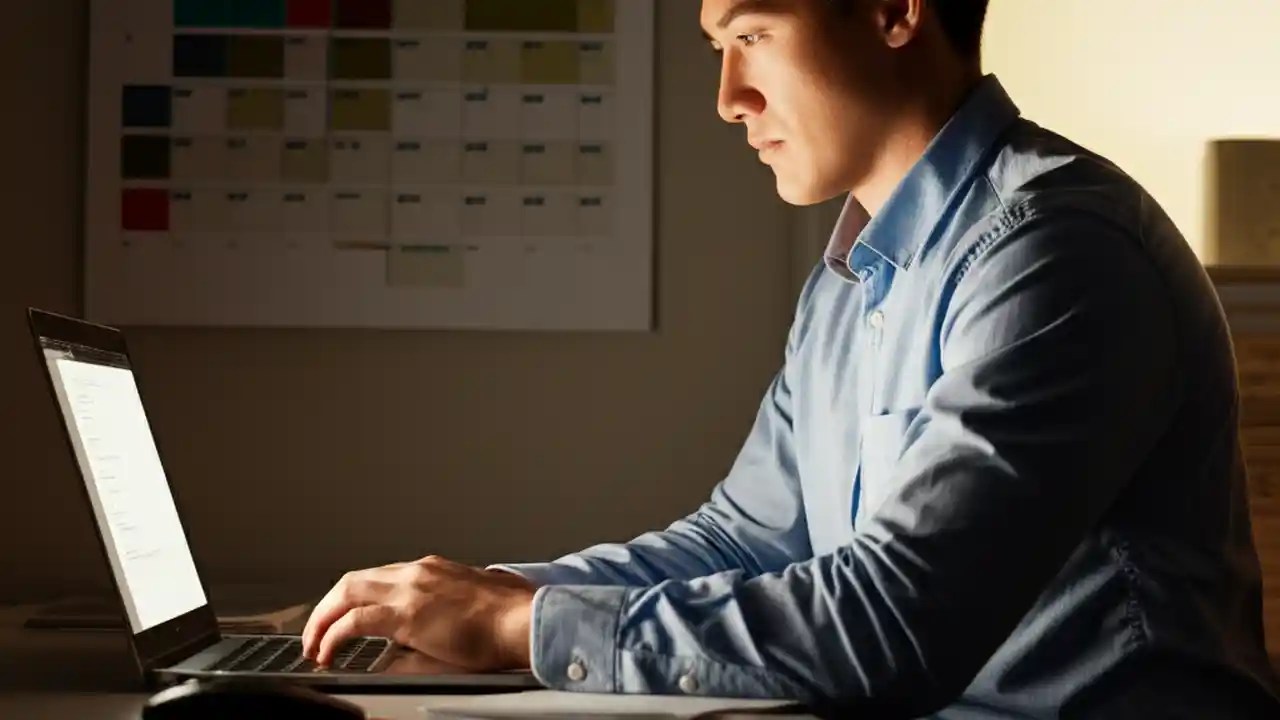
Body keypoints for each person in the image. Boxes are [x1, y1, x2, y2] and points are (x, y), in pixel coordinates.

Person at [301, 0, 1280, 715]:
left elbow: (895, 622)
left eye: (753, 36)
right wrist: (461, 600)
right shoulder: (850, 279)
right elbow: (747, 539)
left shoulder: (1055, 252)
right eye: (717, 49)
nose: (728, 97)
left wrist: (518, 627)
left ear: (894, 12)